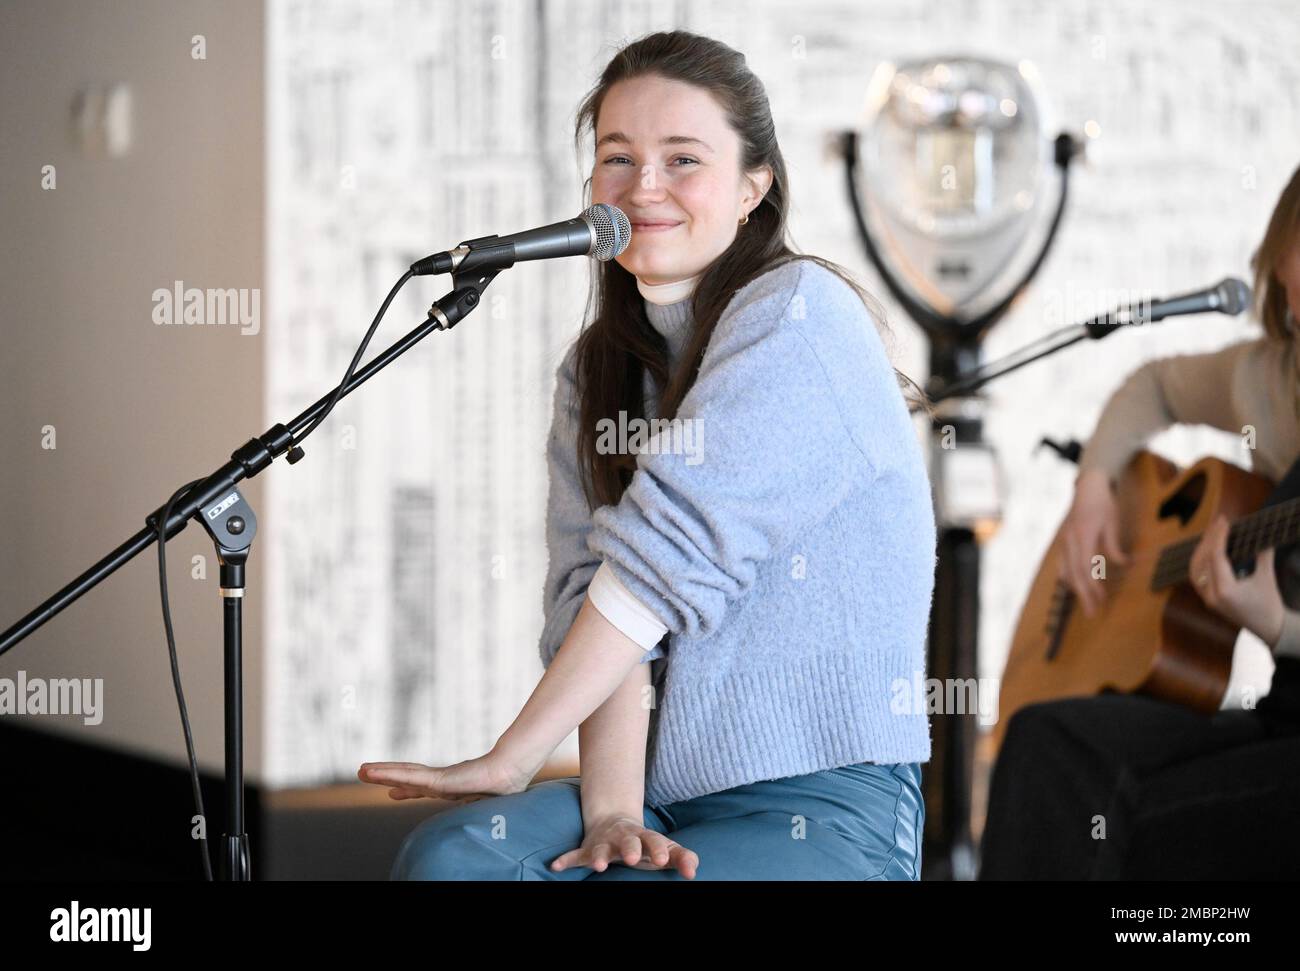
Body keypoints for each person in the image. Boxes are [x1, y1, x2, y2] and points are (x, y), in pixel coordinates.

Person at [356, 29, 938, 880]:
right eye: (618, 158)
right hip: (662, 792)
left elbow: (663, 560)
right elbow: (594, 598)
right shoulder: (598, 368)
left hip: (825, 804)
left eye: (683, 159)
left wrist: (514, 755)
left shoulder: (801, 316)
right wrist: (615, 812)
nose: (645, 187)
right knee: (449, 858)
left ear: (753, 189)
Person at [979, 163, 1300, 879]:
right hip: (1284, 713)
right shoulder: (1268, 378)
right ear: (1280, 259)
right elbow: (1150, 387)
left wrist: (1275, 625)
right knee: (1046, 740)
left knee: (1139, 819)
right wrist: (1095, 485)